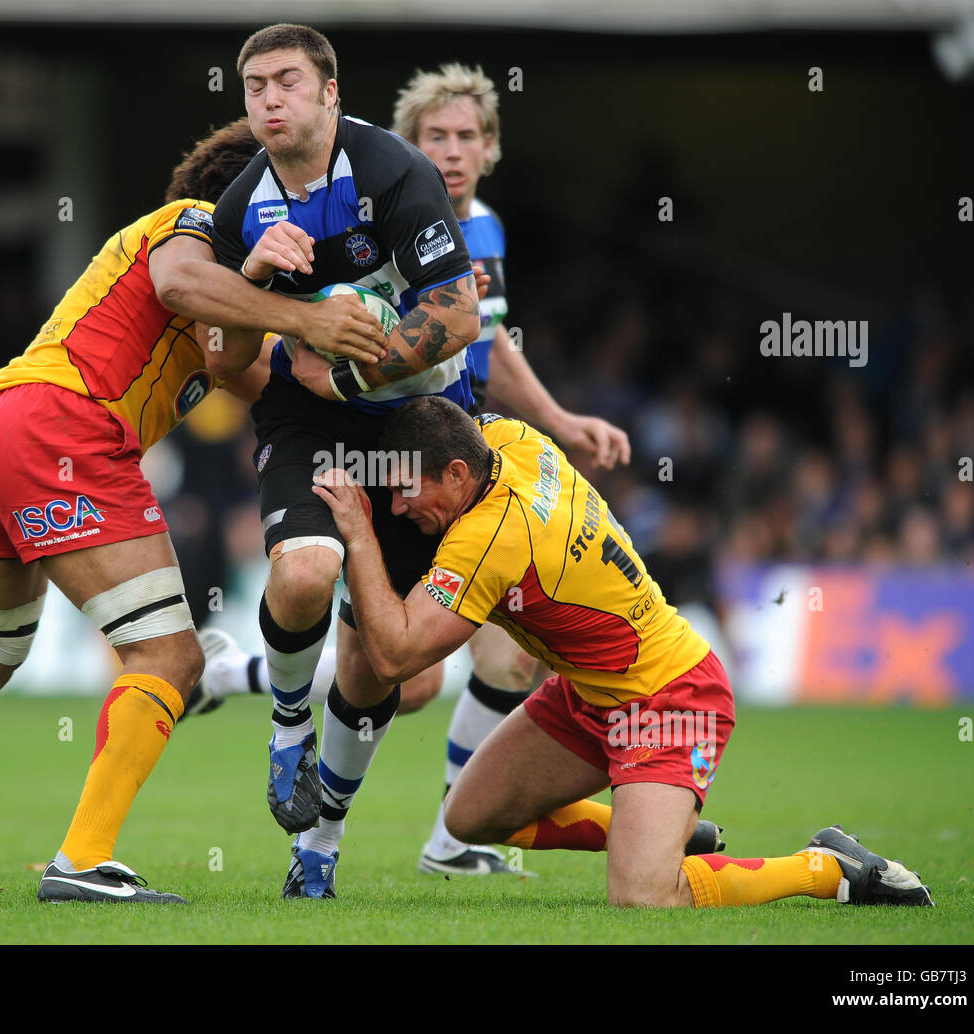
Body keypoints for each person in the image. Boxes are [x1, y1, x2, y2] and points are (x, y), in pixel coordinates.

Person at [0, 119, 386, 904]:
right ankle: (83, 860)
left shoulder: (231, 300)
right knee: (170, 658)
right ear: (255, 198)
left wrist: (398, 366)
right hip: (61, 431)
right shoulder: (192, 225)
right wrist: (308, 316)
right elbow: (178, 285)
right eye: (297, 199)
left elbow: (273, 380)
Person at [195, 63, 640, 878]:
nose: (452, 151)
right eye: (436, 137)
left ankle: (429, 827)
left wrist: (558, 417)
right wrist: (292, 362)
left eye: (467, 137)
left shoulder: (481, 230)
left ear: (492, 149)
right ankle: (353, 801)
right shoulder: (339, 199)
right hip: (363, 428)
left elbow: (485, 340)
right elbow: (238, 349)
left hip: (442, 438)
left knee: (421, 669)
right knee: (380, 647)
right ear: (406, 144)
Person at [312, 396, 935, 908]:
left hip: (667, 695)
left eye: (406, 491)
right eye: (389, 495)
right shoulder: (508, 437)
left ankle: (824, 867)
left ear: (455, 473)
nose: (397, 507)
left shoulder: (490, 539)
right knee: (467, 817)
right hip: (587, 692)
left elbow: (393, 658)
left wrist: (362, 536)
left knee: (643, 898)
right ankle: (664, 833)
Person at [207, 23, 483, 898]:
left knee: (385, 668)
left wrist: (352, 368)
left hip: (417, 425)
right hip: (303, 416)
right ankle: (289, 727)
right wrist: (251, 286)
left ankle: (317, 849)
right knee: (301, 576)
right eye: (254, 87)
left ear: (330, 91)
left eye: (287, 81)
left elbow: (461, 316)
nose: (269, 100)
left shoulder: (394, 171)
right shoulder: (239, 210)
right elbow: (224, 364)